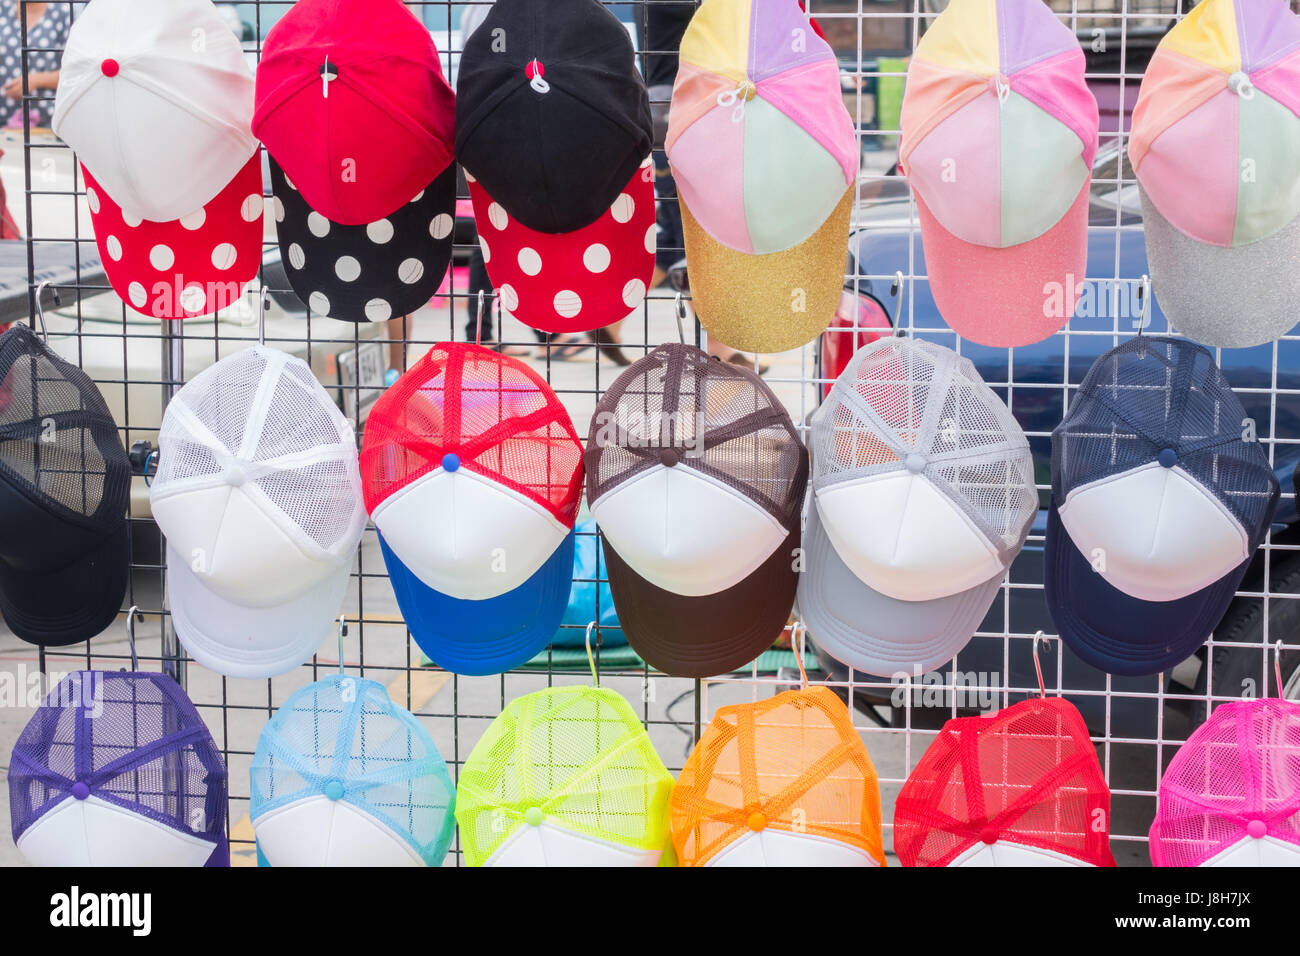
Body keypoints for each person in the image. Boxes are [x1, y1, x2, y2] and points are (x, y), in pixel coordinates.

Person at [0, 2, 70, 129]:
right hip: (3, 122)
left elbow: (77, 72)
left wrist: (35, 80)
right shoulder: (3, 7)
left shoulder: (64, 14)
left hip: (48, 125)